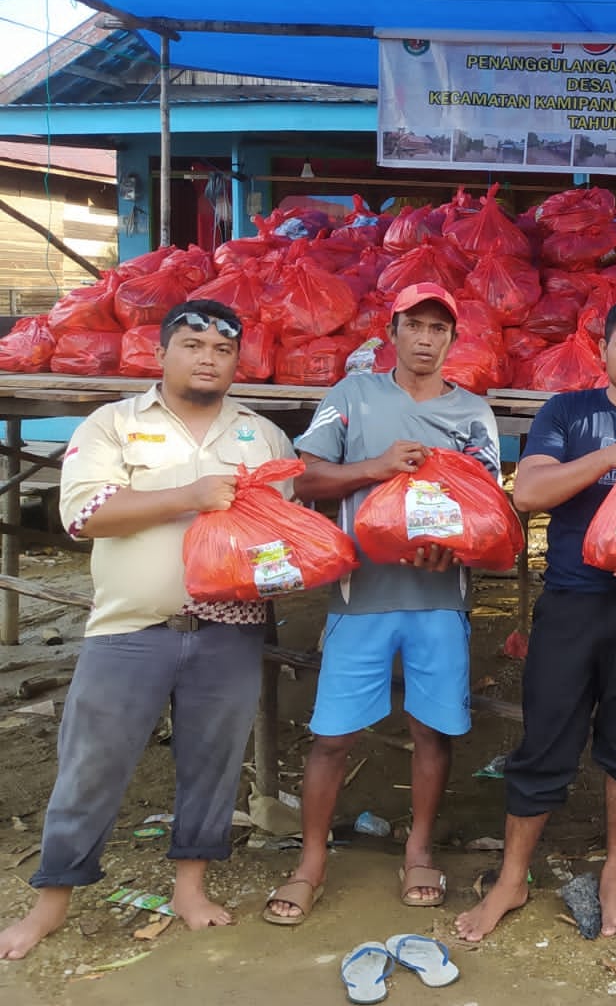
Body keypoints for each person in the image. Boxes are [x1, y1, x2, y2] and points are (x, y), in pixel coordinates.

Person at [0, 300, 295, 959]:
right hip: (130, 627)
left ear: (237, 362)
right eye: (192, 344)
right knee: (92, 764)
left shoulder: (261, 435)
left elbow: (278, 531)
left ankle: (191, 888)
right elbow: (83, 514)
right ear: (161, 354)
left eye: (222, 349)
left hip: (230, 630)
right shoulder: (114, 425)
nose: (208, 358)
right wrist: (189, 495)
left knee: (212, 765)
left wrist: (284, 569)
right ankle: (50, 902)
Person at [455, 294, 616, 943]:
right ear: (604, 350)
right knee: (544, 743)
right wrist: (611, 456)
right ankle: (513, 879)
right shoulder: (566, 413)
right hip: (572, 602)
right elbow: (529, 492)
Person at [264, 281, 502, 924]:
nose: (426, 340)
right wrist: (377, 467)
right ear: (391, 330)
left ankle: (418, 848)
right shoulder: (352, 396)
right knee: (333, 736)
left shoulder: (474, 414)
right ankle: (311, 862)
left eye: (439, 329)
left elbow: (487, 509)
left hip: (438, 599)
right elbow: (305, 478)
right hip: (359, 597)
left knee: (431, 731)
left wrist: (455, 548)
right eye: (415, 326)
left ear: (454, 339)